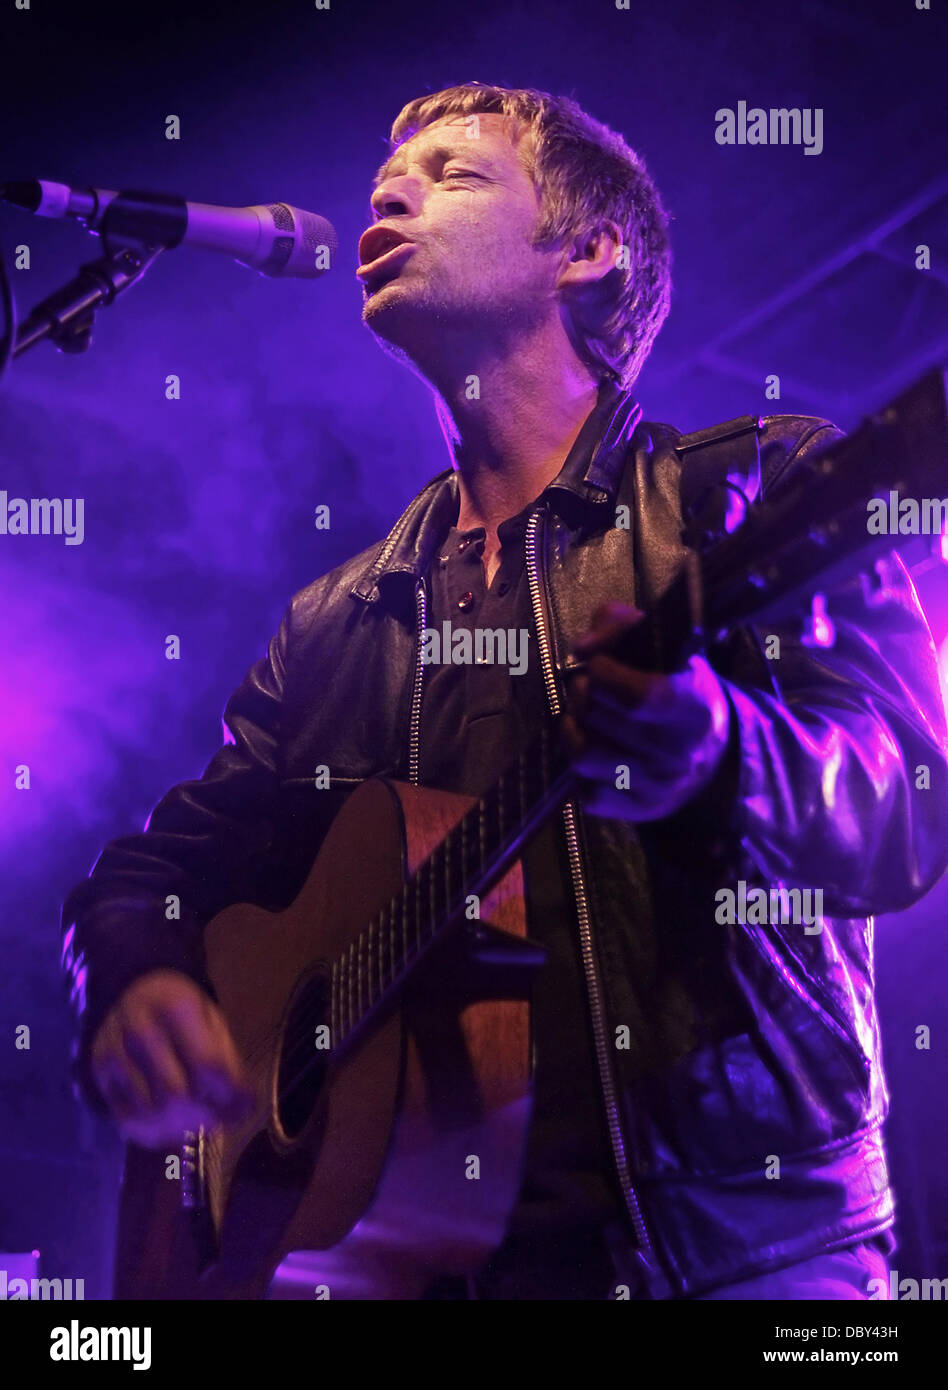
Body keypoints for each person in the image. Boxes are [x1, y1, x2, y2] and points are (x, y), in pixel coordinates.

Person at [61, 82, 948, 1300]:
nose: (388, 189)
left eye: (455, 172)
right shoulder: (339, 620)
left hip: (739, 1261)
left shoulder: (751, 492)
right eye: (390, 174)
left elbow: (907, 805)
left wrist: (721, 750)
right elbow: (151, 873)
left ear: (587, 252)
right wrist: (135, 977)